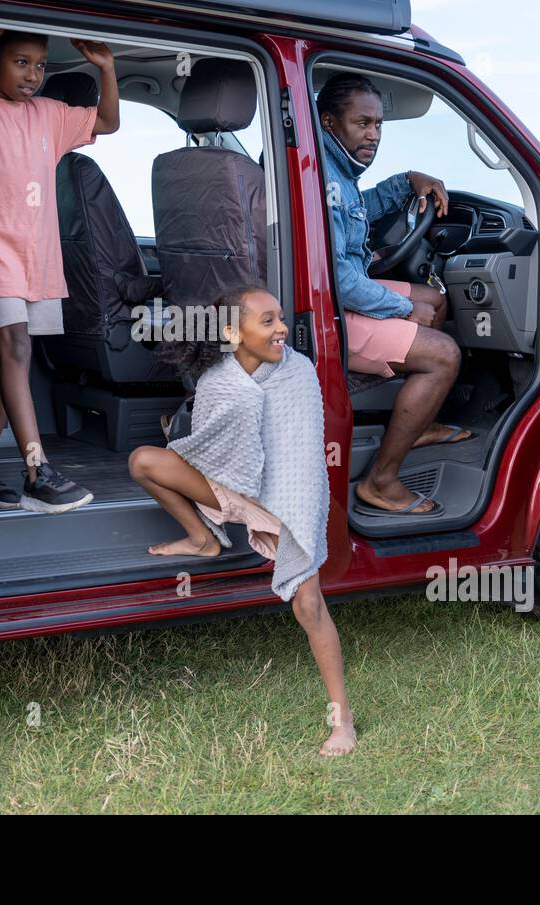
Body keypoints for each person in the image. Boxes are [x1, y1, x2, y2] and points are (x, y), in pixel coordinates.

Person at [127, 285, 356, 757]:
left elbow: (303, 463)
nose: (281, 330)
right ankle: (203, 539)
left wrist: (292, 518)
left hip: (283, 497)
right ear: (234, 333)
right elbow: (212, 447)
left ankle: (342, 721)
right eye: (267, 321)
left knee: (309, 606)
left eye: (280, 319)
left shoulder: (297, 374)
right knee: (144, 461)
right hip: (229, 482)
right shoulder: (218, 380)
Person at [0, 26, 120, 513]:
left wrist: (107, 69)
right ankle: (38, 471)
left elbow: (109, 123)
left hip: (37, 258)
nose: (32, 75)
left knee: (8, 367)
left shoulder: (49, 115)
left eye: (39, 65)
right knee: (15, 347)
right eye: (19, 63)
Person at [318, 71, 471, 517]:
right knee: (443, 354)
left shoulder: (333, 169)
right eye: (362, 123)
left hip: (334, 294)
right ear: (329, 122)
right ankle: (381, 480)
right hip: (328, 310)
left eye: (379, 124)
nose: (373, 134)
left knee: (436, 299)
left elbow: (358, 209)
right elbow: (340, 282)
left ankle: (413, 423)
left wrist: (406, 181)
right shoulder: (325, 178)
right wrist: (403, 309)